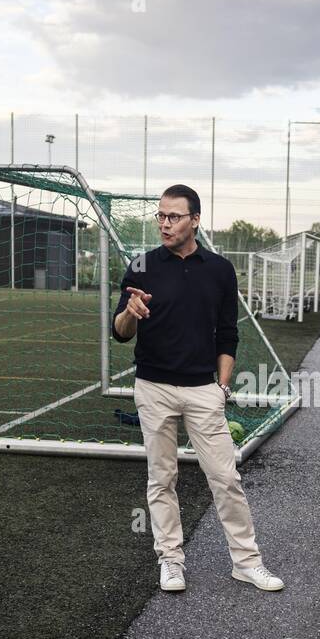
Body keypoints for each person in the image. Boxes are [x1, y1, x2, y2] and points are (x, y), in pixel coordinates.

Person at [111, 184, 283, 594]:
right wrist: (130, 314)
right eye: (160, 216)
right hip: (152, 387)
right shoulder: (141, 266)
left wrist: (221, 387)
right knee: (162, 478)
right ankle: (171, 561)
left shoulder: (220, 270)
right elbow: (119, 333)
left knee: (225, 478)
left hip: (203, 390)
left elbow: (227, 336)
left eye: (173, 217)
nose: (164, 224)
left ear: (196, 220)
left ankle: (247, 563)